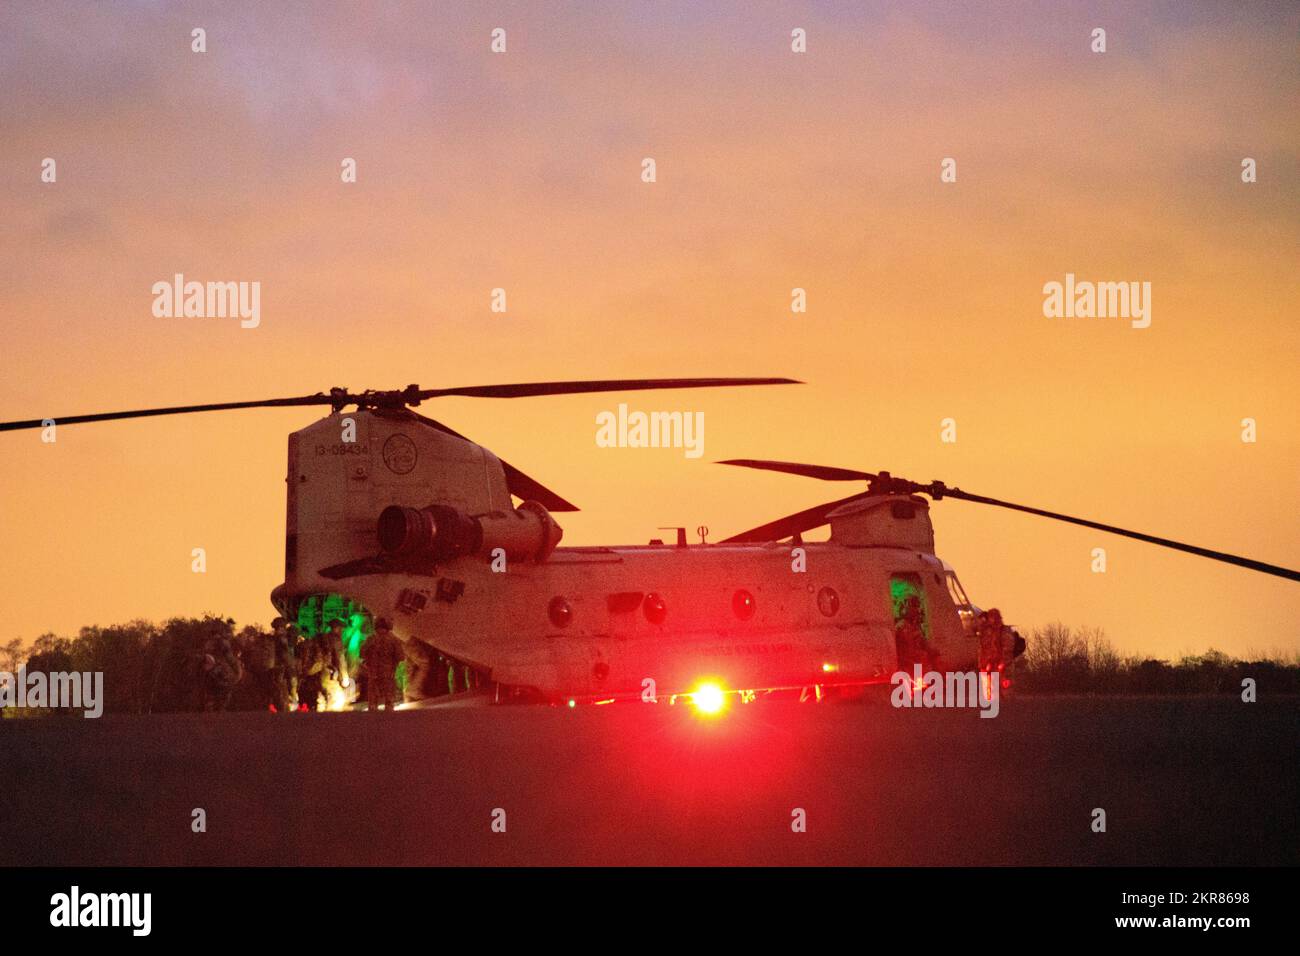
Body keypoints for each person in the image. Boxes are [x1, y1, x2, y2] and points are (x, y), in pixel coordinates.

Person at [361, 618, 404, 711]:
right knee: (389, 693)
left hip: (373, 671)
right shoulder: (393, 639)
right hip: (388, 671)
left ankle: (372, 708)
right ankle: (389, 709)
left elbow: (362, 653)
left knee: (373, 693)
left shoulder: (370, 639)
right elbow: (401, 656)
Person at [894, 595, 927, 673]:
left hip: (917, 664)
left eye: (917, 607)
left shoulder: (915, 626)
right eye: (914, 607)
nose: (917, 610)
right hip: (907, 665)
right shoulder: (901, 626)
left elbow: (922, 642)